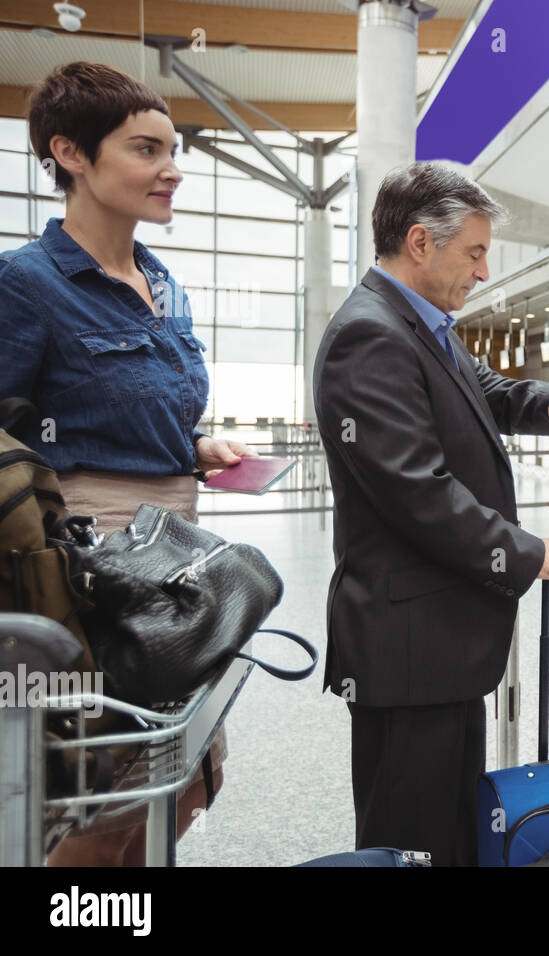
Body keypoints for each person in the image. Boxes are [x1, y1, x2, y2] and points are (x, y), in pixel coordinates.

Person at [0, 62, 256, 865]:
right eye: (146, 150)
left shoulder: (161, 282)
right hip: (89, 571)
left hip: (177, 560)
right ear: (70, 153)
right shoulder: (27, 285)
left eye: (173, 150)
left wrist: (193, 445)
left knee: (182, 784)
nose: (170, 170)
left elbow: (139, 405)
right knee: (103, 796)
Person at [313, 161, 549, 864]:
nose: (481, 272)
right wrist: (532, 552)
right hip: (407, 645)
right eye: (473, 253)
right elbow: (420, 493)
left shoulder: (420, 326)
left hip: (435, 644)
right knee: (411, 840)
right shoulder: (371, 336)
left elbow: (490, 392)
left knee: (444, 831)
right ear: (420, 242)